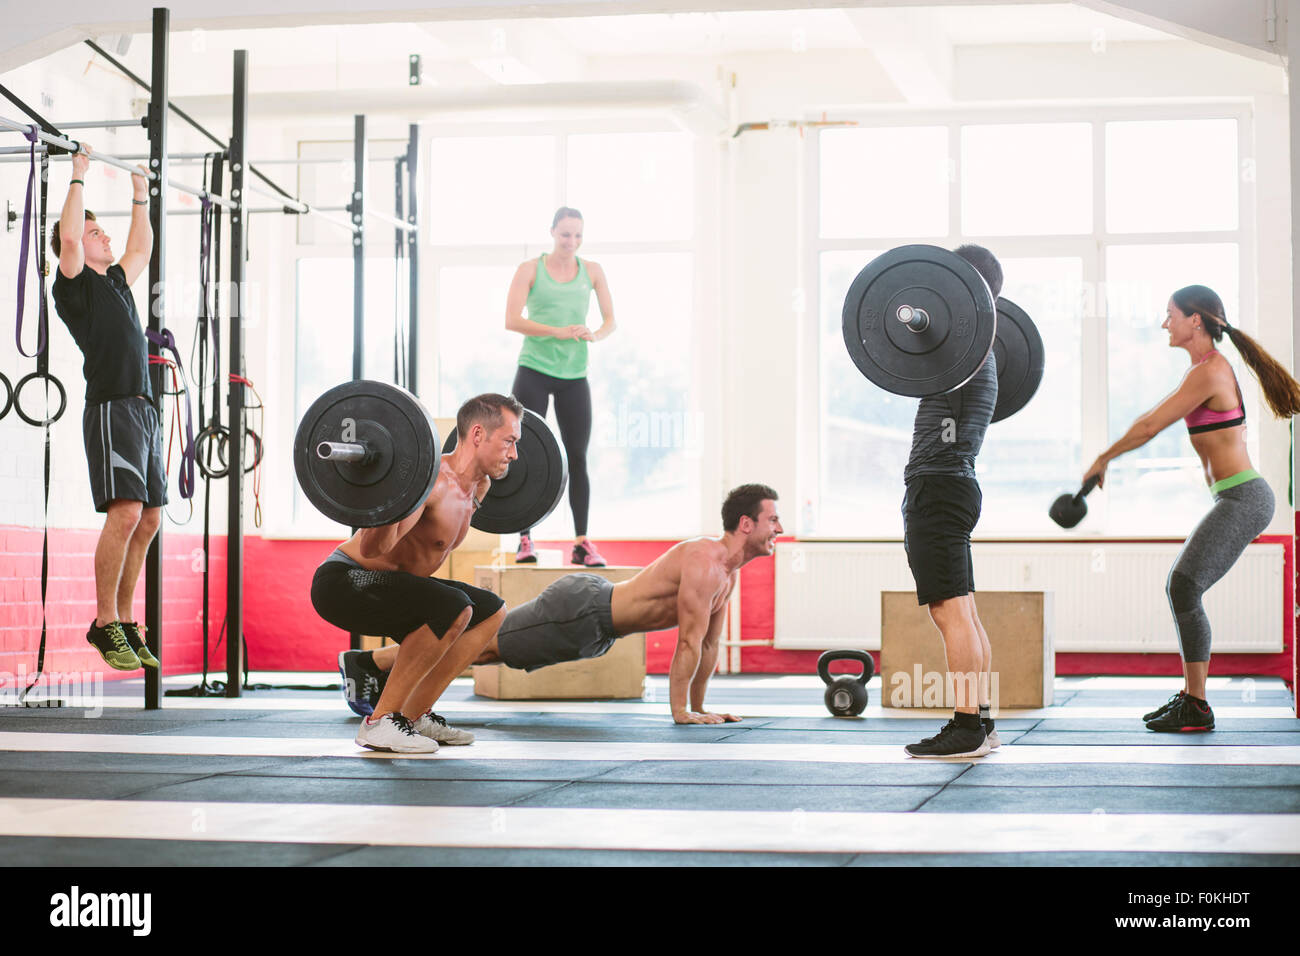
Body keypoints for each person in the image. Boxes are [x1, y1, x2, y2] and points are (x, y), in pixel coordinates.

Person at [339, 484, 783, 725]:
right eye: (773, 519)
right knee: (484, 643)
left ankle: (377, 669)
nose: (779, 528)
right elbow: (687, 643)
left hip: (594, 629)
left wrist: (701, 708)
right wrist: (680, 713)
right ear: (746, 523)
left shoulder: (729, 574)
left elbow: (708, 647)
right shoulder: (705, 562)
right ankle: (368, 663)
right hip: (582, 611)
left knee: (488, 650)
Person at [1083, 285, 1300, 733]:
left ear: (1195, 321)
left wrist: (1104, 458)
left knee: (1183, 585)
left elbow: (1149, 425)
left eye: (1170, 315)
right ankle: (1191, 696)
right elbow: (1152, 416)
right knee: (1182, 586)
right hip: (1235, 497)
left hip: (1245, 497)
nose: (1165, 323)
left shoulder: (1210, 371)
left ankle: (1197, 705)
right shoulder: (1202, 370)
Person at [312, 395, 516, 753]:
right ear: (479, 434)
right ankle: (378, 723)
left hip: (397, 586)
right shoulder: (430, 480)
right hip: (346, 581)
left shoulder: (478, 486)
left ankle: (414, 714)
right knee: (454, 607)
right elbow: (373, 550)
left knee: (489, 610)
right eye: (509, 441)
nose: (514, 455)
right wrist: (391, 499)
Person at [49, 145, 162, 673]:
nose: (105, 238)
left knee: (151, 517)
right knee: (126, 511)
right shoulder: (75, 285)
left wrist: (141, 195)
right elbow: (70, 235)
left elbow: (140, 252)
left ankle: (123, 617)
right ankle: (103, 621)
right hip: (111, 407)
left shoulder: (116, 282)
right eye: (99, 234)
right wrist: (78, 175)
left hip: (143, 409)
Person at [900, 245, 1003, 759]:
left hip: (938, 487)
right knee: (963, 610)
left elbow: (914, 330)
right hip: (955, 484)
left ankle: (965, 726)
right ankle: (982, 721)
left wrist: (908, 314)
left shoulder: (961, 357)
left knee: (951, 613)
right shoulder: (979, 357)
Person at [504, 206, 616, 568]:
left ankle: (582, 542)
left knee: (577, 456)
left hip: (574, 374)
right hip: (534, 369)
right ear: (552, 232)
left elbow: (611, 320)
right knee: (525, 453)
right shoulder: (530, 269)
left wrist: (594, 335)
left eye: (578, 235)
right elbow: (512, 320)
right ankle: (524, 538)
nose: (572, 241)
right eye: (566, 234)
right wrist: (557, 331)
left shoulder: (592, 271)